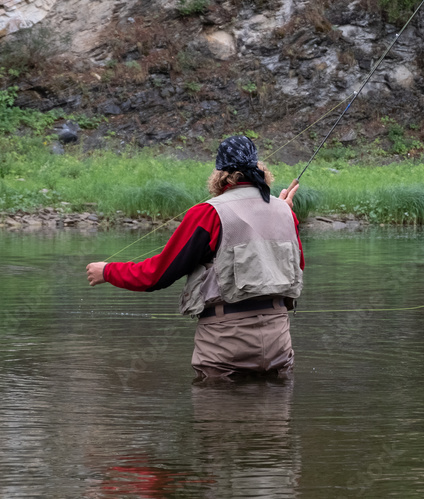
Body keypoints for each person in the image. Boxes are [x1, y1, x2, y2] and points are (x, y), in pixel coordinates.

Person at [85, 135, 304, 380]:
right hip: (278, 339)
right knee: (273, 414)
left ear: (220, 174)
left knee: (216, 414)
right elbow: (296, 269)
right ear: (260, 170)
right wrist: (281, 213)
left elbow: (157, 275)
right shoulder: (286, 213)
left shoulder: (208, 213)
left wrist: (107, 271)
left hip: (226, 342)